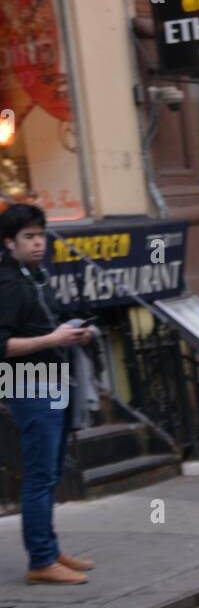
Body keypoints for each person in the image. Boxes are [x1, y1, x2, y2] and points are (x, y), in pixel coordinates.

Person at [0, 202, 96, 583]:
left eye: (41, 235)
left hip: (54, 376)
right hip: (29, 382)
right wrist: (53, 339)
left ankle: (50, 549)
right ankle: (40, 561)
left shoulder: (34, 276)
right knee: (40, 474)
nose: (39, 243)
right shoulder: (7, 284)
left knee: (52, 471)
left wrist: (75, 331)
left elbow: (52, 319)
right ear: (9, 243)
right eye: (29, 237)